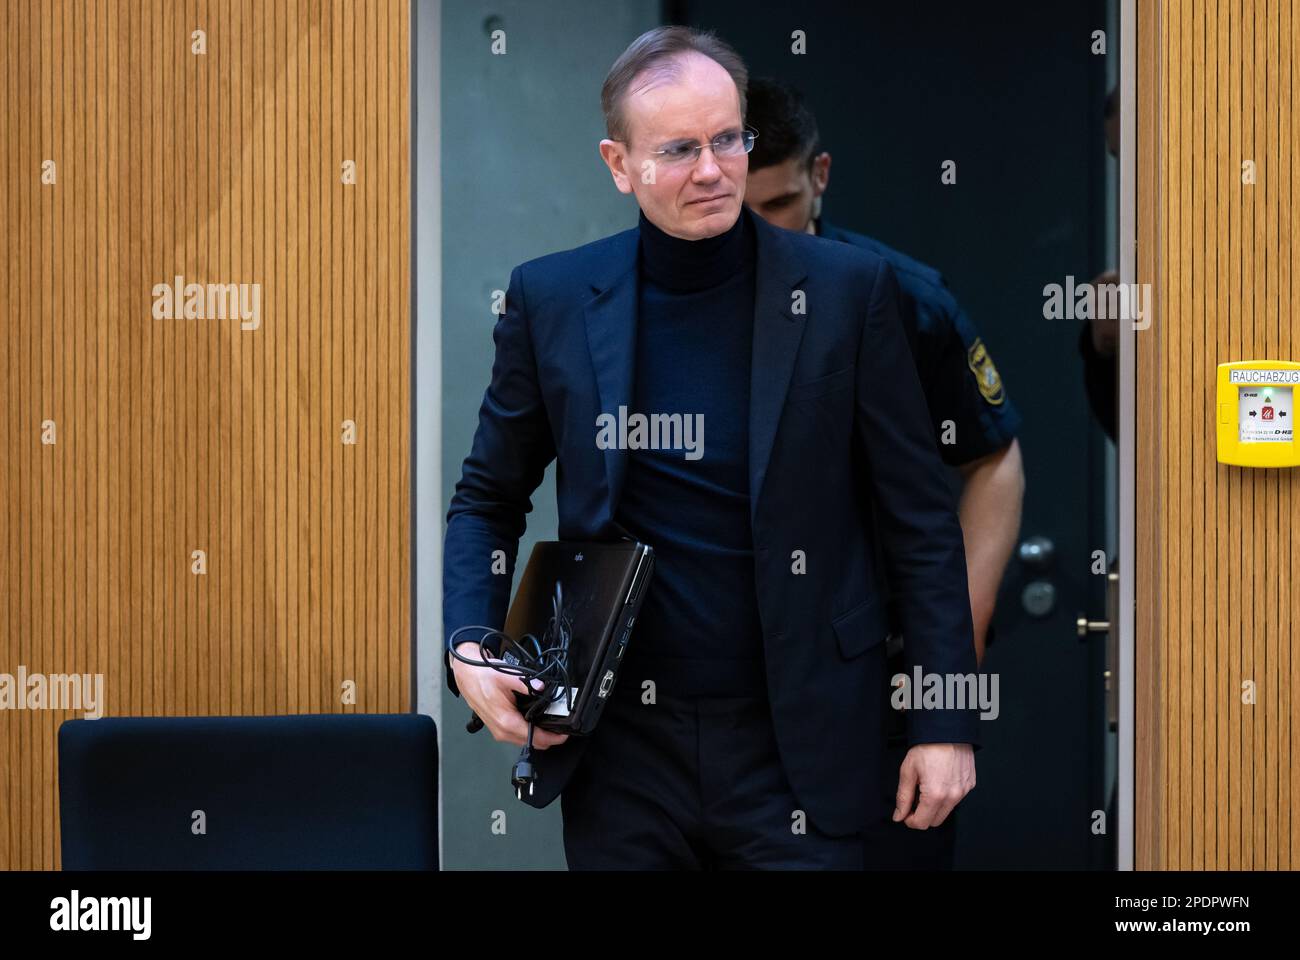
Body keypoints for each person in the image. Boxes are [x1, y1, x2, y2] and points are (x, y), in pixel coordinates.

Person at [443, 26, 981, 870]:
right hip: (619, 741)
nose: (712, 169)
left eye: (729, 139)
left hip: (799, 738)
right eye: (680, 148)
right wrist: (470, 641)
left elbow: (919, 518)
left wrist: (943, 722)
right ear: (619, 164)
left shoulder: (845, 294)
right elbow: (487, 498)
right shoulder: (551, 298)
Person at [744, 77, 1025, 868]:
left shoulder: (900, 297)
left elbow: (993, 457)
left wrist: (958, 634)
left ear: (820, 176)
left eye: (779, 205)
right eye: (739, 206)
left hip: (882, 671)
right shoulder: (674, 294)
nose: (758, 232)